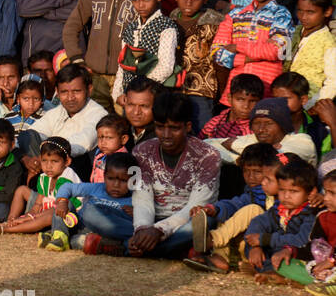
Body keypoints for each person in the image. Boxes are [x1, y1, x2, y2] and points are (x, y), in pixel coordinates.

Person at [86, 91, 220, 259]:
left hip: (184, 221)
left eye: (174, 128)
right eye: (160, 126)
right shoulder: (141, 151)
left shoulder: (208, 156)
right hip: (146, 218)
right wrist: (142, 229)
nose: (165, 135)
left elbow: (196, 206)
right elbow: (142, 198)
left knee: (203, 224)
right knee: (90, 210)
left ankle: (125, 247)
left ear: (188, 126)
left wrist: (159, 230)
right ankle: (178, 250)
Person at [185, 142, 279, 272]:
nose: (250, 177)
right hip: (248, 244)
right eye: (246, 171)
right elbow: (235, 203)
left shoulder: (278, 195)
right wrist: (214, 209)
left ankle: (211, 240)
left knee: (254, 210)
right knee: (225, 212)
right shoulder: (252, 192)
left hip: (264, 246)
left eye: (257, 172)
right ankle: (219, 257)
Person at [211, 0, 293, 96]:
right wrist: (249, 57)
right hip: (235, 93)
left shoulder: (282, 14)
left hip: (266, 91)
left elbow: (279, 51)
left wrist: (238, 47)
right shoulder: (235, 14)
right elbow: (216, 53)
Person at [40, 152, 138, 252]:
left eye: (123, 181)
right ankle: (59, 236)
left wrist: (137, 213)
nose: (116, 185)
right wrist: (62, 202)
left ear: (133, 182)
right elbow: (67, 187)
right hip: (80, 225)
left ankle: (105, 244)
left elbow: (147, 220)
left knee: (84, 229)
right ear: (104, 176)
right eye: (111, 178)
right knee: (67, 203)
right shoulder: (97, 187)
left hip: (106, 233)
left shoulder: (135, 199)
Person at [239, 160, 319, 282]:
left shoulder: (310, 213)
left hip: (298, 253)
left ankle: (270, 272)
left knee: (291, 261)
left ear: (311, 192)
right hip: (277, 248)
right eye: (282, 190)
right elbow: (259, 222)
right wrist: (256, 246)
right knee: (251, 246)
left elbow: (301, 241)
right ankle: (263, 268)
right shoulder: (280, 208)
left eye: (293, 191)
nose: (286, 196)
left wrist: (265, 239)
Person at [0, 136, 78, 237]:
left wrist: (29, 218)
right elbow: (38, 204)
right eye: (44, 161)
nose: (48, 166)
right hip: (47, 206)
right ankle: (10, 221)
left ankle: (7, 229)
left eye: (54, 161)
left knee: (52, 214)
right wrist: (31, 213)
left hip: (68, 215)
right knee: (21, 190)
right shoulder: (44, 177)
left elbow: (58, 208)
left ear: (67, 162)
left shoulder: (67, 179)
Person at [111, 0, 179, 105]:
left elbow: (165, 67)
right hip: (128, 96)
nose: (141, 5)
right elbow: (123, 66)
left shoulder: (166, 27)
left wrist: (139, 90)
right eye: (136, 0)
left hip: (153, 95)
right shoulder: (130, 28)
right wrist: (118, 93)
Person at [172, 0, 225, 132]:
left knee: (202, 132)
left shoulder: (214, 22)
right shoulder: (171, 19)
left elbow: (221, 60)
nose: (188, 3)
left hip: (202, 90)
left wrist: (221, 92)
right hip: (174, 89)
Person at [36, 63, 107, 166]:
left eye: (76, 91)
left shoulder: (99, 115)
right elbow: (35, 133)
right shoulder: (57, 112)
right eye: (64, 92)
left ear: (89, 90)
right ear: (57, 92)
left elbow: (82, 144)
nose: (70, 98)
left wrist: (46, 156)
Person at [287, 0, 336, 105]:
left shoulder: (328, 43)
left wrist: (315, 104)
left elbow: (333, 81)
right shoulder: (294, 32)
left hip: (308, 103)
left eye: (310, 12)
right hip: (285, 98)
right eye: (300, 11)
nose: (303, 17)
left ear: (328, 11)